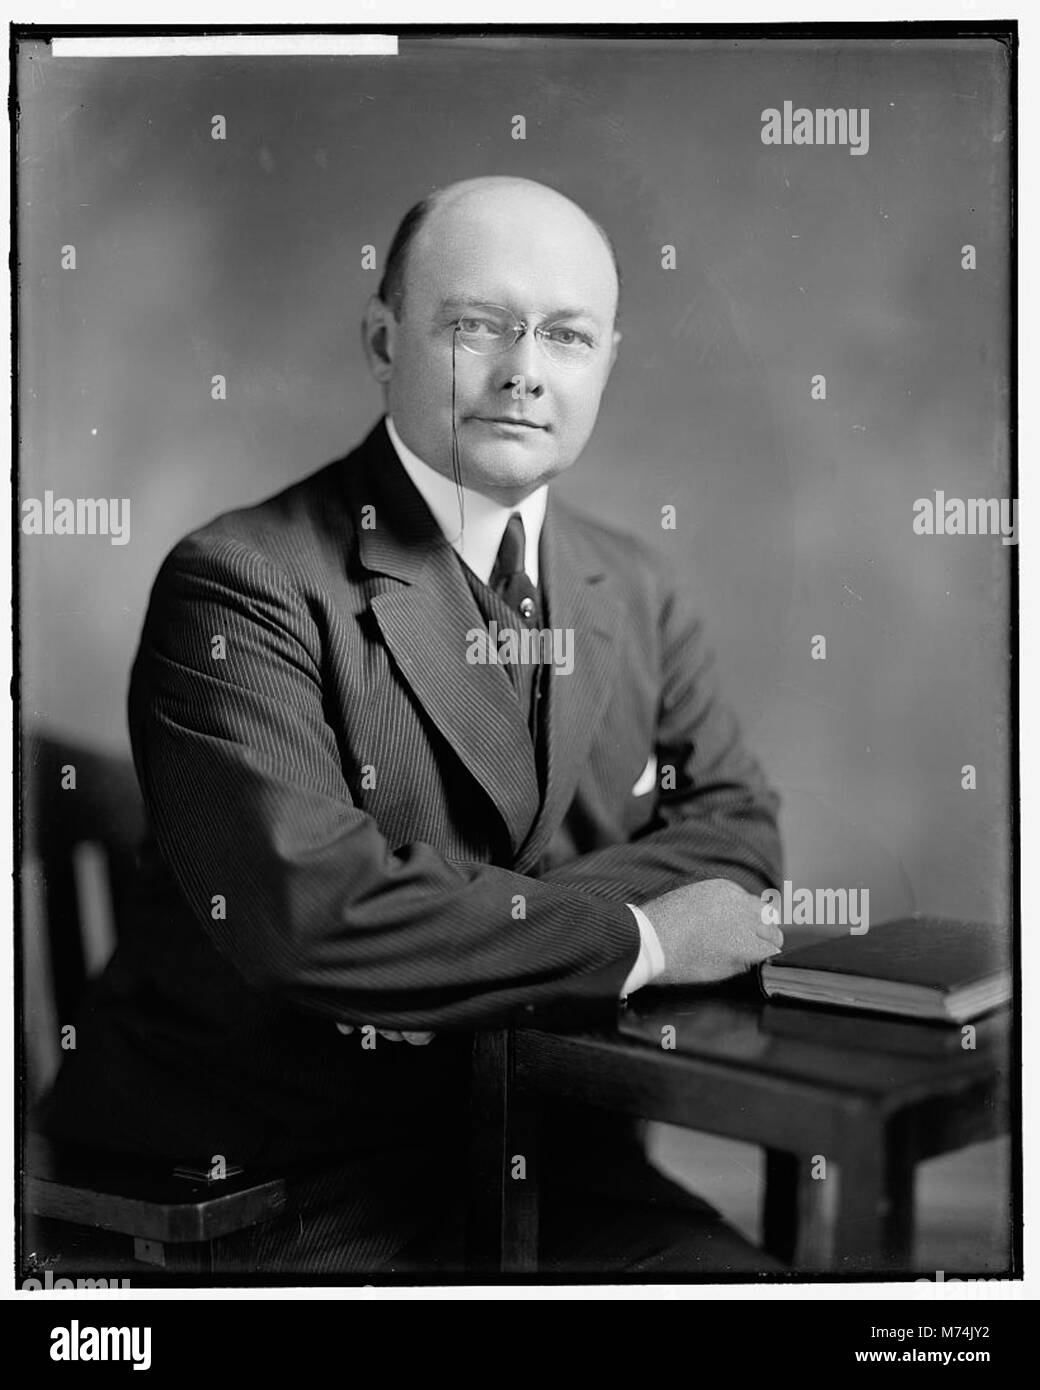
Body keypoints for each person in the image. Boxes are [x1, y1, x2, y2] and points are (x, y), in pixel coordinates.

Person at [39, 175, 785, 1276]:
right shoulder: (240, 581)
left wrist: (431, 908)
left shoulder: (634, 586)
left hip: (548, 1158)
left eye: (567, 336)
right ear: (383, 339)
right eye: (476, 324)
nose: (524, 369)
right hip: (273, 1185)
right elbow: (321, 915)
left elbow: (739, 845)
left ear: (606, 364)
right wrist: (649, 936)